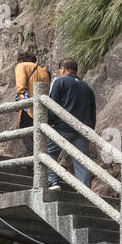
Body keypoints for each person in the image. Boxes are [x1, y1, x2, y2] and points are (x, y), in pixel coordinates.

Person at [46, 58, 96, 191]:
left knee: (49, 153)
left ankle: (52, 182)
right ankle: (85, 192)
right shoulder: (87, 87)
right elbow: (92, 111)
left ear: (62, 69)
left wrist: (49, 121)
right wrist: (90, 130)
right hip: (82, 130)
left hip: (62, 127)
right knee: (82, 161)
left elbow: (52, 105)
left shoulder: (59, 81)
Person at [13, 50, 50, 154]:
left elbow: (21, 83)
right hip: (41, 108)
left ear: (21, 60)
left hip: (28, 106)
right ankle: (39, 159)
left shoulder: (22, 66)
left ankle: (36, 155)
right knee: (37, 135)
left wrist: (21, 96)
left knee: (25, 132)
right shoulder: (43, 71)